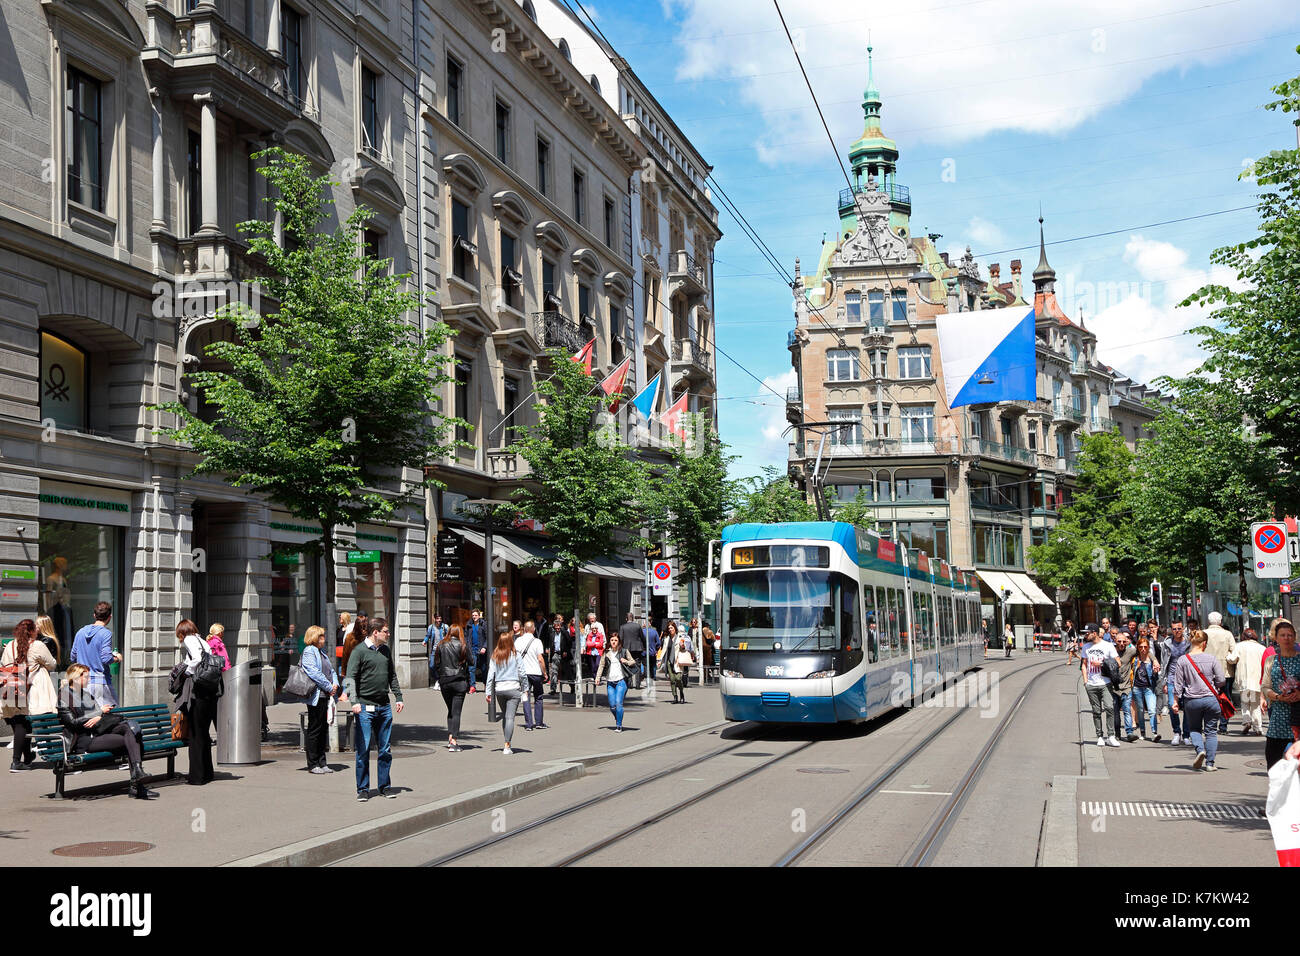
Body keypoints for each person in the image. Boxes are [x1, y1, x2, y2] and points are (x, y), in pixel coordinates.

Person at [58, 663, 152, 798]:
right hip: (84, 740)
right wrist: (97, 714)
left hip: (97, 733)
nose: (89, 680)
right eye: (87, 677)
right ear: (77, 678)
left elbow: (97, 716)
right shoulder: (65, 696)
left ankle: (137, 774)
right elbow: (72, 723)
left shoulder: (85, 694)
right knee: (131, 740)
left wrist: (99, 715)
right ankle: (137, 786)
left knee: (128, 730)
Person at [344, 617, 403, 801]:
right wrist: (353, 701)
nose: (388, 634)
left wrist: (399, 697)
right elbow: (350, 677)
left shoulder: (385, 650)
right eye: (386, 631)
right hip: (363, 707)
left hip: (384, 706)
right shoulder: (359, 651)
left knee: (385, 749)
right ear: (375, 632)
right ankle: (363, 788)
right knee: (363, 749)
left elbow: (391, 675)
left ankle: (385, 786)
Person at [2, 619, 58, 771]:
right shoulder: (38, 645)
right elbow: (52, 664)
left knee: (20, 722)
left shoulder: (10, 646)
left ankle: (26, 759)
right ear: (33, 631)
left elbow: (3, 665)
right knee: (23, 724)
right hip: (30, 688)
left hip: (12, 686)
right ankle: (15, 762)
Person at [1169, 629, 1226, 771]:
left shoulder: (1183, 660)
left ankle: (1200, 750)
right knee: (1211, 732)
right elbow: (1221, 680)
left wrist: (1175, 701)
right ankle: (1210, 764)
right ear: (1204, 643)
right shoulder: (1212, 659)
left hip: (1192, 700)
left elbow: (1178, 684)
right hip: (1211, 699)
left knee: (1194, 729)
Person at [173, 619, 219, 786]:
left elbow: (197, 659)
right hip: (209, 691)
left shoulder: (189, 639)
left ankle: (197, 776)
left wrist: (186, 672)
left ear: (182, 631)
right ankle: (207, 773)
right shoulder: (203, 640)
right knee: (204, 734)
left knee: (195, 734)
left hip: (197, 691)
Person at [1261, 618, 1300, 769]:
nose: (1286, 638)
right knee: (1273, 762)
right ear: (1276, 638)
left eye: (1289, 635)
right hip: (1279, 717)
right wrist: (1278, 697)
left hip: (1298, 716)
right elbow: (1265, 686)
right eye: (1282, 635)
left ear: (1294, 637)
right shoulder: (1271, 660)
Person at [299, 625, 338, 774]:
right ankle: (313, 763)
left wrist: (335, 684)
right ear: (314, 637)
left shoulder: (321, 652)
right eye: (321, 636)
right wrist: (329, 687)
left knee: (323, 730)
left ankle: (322, 762)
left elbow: (332, 670)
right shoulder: (310, 651)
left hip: (326, 695)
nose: (324, 639)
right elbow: (314, 672)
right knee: (315, 729)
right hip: (317, 696)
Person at [70, 601, 120, 706]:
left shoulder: (80, 632)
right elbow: (106, 658)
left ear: (94, 615)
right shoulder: (106, 633)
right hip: (99, 682)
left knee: (88, 716)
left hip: (82, 682)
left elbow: (73, 657)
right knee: (113, 715)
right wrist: (117, 658)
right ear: (110, 617)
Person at [485, 630, 524, 755]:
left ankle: (507, 742)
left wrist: (488, 692)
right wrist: (526, 688)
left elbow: (490, 675)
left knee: (505, 715)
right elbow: (522, 673)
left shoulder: (495, 655)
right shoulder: (516, 655)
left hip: (500, 689)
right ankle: (507, 745)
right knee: (510, 717)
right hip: (513, 688)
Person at [1081, 625, 1120, 747]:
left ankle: (1111, 736)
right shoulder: (1086, 647)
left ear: (1094, 633)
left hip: (1105, 683)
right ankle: (1099, 736)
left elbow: (1118, 662)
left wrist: (1102, 663)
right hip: (1091, 684)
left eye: (1087, 633)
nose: (1085, 635)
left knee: (1109, 708)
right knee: (1096, 711)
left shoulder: (1108, 646)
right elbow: (1084, 664)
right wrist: (1085, 681)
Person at [435, 625, 470, 751]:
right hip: (459, 681)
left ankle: (450, 737)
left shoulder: (441, 644)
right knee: (456, 712)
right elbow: (471, 661)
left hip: (445, 681)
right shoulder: (463, 645)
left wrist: (441, 675)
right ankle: (454, 741)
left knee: (450, 710)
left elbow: (436, 663)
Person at [1203, 611, 1237, 735]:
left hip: (1206, 671)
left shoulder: (1204, 633)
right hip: (1225, 670)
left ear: (1208, 621)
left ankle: (1208, 724)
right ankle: (1223, 726)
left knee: (1206, 697)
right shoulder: (1227, 634)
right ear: (1221, 621)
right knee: (1225, 698)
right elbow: (1234, 652)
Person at [595, 632, 636, 732]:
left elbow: (633, 662)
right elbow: (601, 665)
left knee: (618, 703)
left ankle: (619, 725)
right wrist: (598, 677)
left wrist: (626, 661)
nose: (613, 642)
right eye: (612, 640)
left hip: (621, 681)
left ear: (619, 642)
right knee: (612, 705)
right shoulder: (606, 653)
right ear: (610, 641)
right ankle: (618, 717)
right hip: (610, 682)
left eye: (615, 640)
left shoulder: (624, 651)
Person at [1158, 621, 1191, 744]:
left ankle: (1186, 735)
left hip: (1187, 679)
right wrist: (1164, 682)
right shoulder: (1167, 644)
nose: (1177, 631)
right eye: (1174, 629)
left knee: (1187, 707)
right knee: (1173, 706)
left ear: (1183, 629)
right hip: (1172, 678)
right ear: (1171, 630)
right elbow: (1163, 663)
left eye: (1179, 628)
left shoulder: (1189, 642)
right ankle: (1177, 732)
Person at [1233, 627, 1266, 735]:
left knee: (1245, 701)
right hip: (1256, 679)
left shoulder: (1239, 646)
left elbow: (1232, 659)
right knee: (1255, 704)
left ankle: (1247, 721)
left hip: (1244, 679)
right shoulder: (1261, 648)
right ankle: (1258, 727)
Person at [515, 621, 547, 730]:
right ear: (533, 629)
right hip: (536, 673)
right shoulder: (537, 641)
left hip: (523, 673)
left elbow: (515, 657)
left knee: (525, 697)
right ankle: (539, 722)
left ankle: (529, 724)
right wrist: (545, 673)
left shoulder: (518, 641)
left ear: (524, 629)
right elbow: (540, 659)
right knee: (538, 696)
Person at [1131, 636, 1162, 741]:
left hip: (1149, 688)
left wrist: (1155, 671)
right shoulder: (1135, 659)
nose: (1143, 649)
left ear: (1148, 647)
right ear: (1138, 648)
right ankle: (1143, 732)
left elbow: (1155, 677)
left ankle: (1154, 733)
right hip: (1137, 688)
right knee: (1140, 711)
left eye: (1145, 647)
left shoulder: (1151, 660)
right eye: (1140, 647)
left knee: (1152, 710)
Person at [1113, 629, 1137, 741]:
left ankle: (1129, 733)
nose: (1122, 644)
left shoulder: (1131, 651)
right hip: (1113, 688)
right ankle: (1117, 733)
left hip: (1126, 687)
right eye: (1119, 642)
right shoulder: (1110, 651)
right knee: (1115, 712)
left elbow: (1145, 651)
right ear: (1115, 641)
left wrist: (1155, 661)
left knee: (1127, 710)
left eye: (1124, 641)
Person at [665, 620, 693, 703]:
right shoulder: (667, 638)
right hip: (669, 662)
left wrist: (683, 646)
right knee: (672, 680)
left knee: (678, 679)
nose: (670, 629)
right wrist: (660, 660)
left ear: (675, 628)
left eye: (671, 628)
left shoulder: (680, 637)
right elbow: (664, 650)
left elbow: (684, 648)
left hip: (677, 661)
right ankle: (675, 697)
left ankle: (681, 693)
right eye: (669, 628)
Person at [618, 613, 646, 689]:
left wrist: (620, 649)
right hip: (637, 648)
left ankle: (629, 684)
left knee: (628, 665)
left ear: (626, 619)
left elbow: (620, 639)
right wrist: (645, 646)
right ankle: (637, 684)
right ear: (633, 619)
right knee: (638, 665)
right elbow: (642, 637)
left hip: (627, 649)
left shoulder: (623, 627)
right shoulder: (637, 626)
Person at [340, 611, 368, 681]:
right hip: (353, 667)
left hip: (365, 668)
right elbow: (345, 654)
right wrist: (343, 671)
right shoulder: (349, 637)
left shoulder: (368, 636)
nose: (363, 631)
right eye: (361, 628)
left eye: (364, 628)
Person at [423, 612, 447, 689]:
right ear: (434, 619)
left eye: (440, 618)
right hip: (434, 649)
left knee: (442, 666)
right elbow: (428, 636)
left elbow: (450, 634)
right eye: (437, 618)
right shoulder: (431, 627)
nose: (439, 620)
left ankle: (441, 682)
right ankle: (438, 679)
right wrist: (424, 641)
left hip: (443, 649)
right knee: (432, 665)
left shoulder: (445, 627)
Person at [467, 608, 487, 691]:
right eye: (473, 615)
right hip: (472, 650)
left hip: (481, 650)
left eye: (475, 615)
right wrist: (468, 647)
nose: (474, 617)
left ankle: (486, 684)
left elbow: (487, 637)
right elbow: (466, 637)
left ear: (479, 616)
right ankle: (472, 686)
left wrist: (484, 647)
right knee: (471, 668)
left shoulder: (483, 624)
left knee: (484, 669)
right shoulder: (469, 625)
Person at [582, 613, 606, 680]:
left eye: (593, 618)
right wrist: (584, 647)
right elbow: (585, 637)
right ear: (588, 619)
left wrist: (603, 645)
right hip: (590, 649)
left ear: (595, 618)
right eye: (590, 619)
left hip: (599, 649)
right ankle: (594, 676)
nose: (592, 620)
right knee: (591, 664)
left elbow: (602, 635)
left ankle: (598, 676)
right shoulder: (587, 626)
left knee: (598, 664)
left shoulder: (599, 625)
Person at [644, 618, 661, 685]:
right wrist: (656, 649)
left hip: (644, 652)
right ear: (650, 624)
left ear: (645, 624)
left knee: (645, 665)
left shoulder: (642, 631)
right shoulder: (654, 632)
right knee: (653, 665)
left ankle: (646, 676)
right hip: (652, 652)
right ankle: (653, 676)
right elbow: (658, 643)